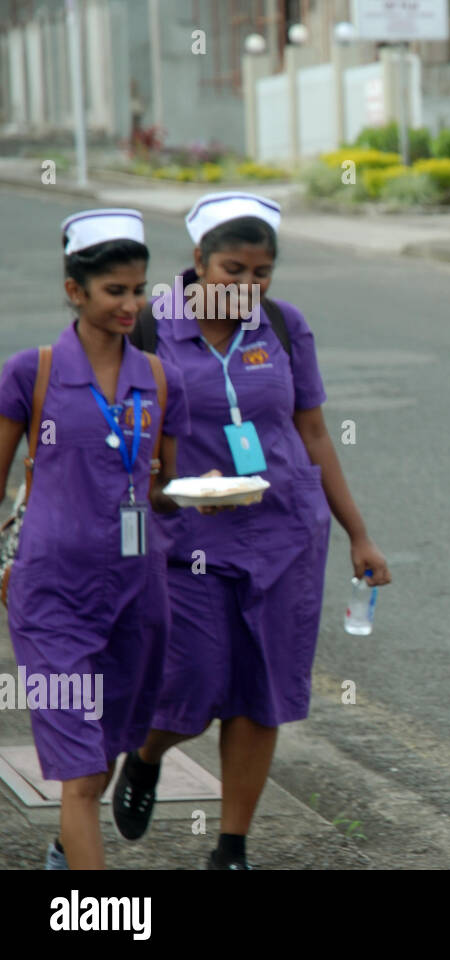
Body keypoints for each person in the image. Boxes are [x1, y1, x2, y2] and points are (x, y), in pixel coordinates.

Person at [112, 191, 392, 870]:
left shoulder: (284, 327)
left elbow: (314, 433)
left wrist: (358, 533)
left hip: (285, 534)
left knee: (262, 694)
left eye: (261, 273)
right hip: (186, 540)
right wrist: (144, 519)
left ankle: (231, 847)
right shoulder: (148, 330)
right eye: (233, 270)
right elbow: (121, 444)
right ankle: (147, 756)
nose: (247, 287)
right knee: (191, 687)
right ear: (199, 263)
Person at [0, 209, 189, 870]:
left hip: (138, 596)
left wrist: (210, 492)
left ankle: (63, 852)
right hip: (53, 597)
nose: (130, 305)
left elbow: (161, 484)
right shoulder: (33, 373)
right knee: (80, 777)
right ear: (74, 290)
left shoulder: (162, 380)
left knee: (107, 747)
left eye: (138, 290)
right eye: (115, 291)